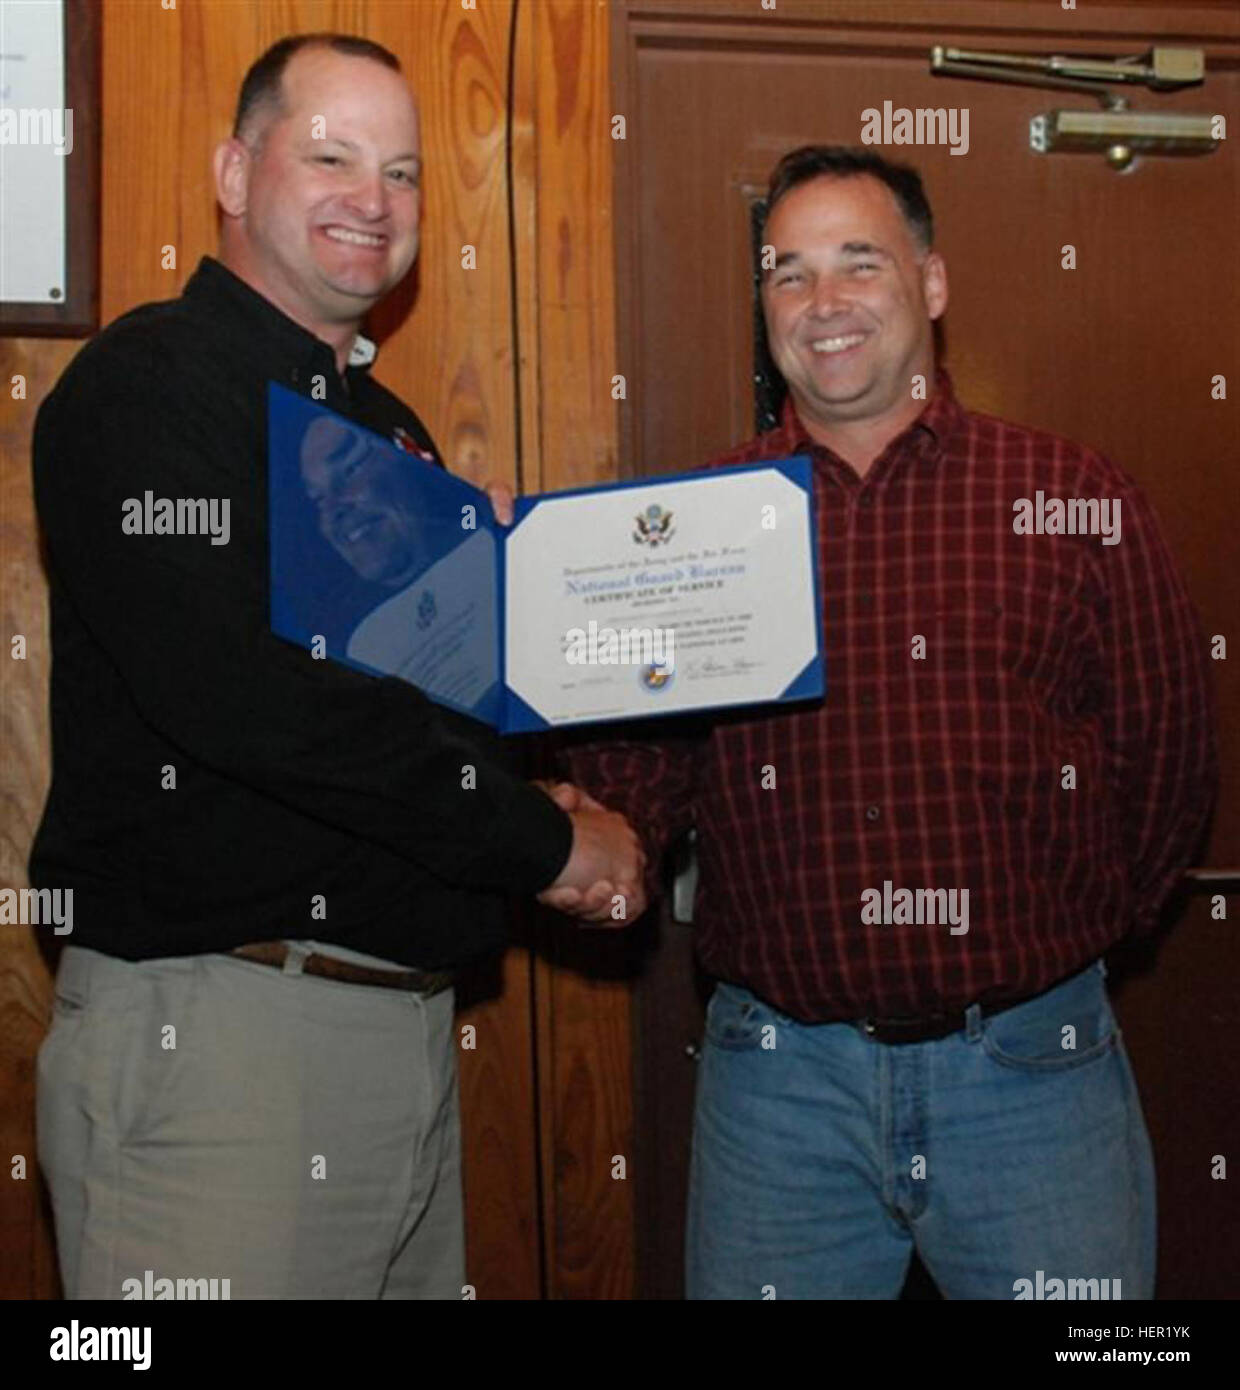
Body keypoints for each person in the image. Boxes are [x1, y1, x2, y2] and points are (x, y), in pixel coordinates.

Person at [30, 32, 642, 1300]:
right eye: (332, 155)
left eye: (405, 170)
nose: (375, 198)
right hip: (225, 1043)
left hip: (399, 1036)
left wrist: (541, 755)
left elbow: (428, 712)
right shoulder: (151, 385)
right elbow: (256, 704)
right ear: (234, 171)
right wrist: (538, 845)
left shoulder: (387, 433)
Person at [551, 146, 1218, 1299]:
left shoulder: (1072, 499)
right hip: (779, 1093)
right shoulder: (696, 527)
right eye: (787, 274)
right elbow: (637, 784)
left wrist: (1057, 951)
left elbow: (1166, 766)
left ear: (932, 283)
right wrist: (573, 832)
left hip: (1032, 1075)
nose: (822, 304)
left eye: (857, 264)